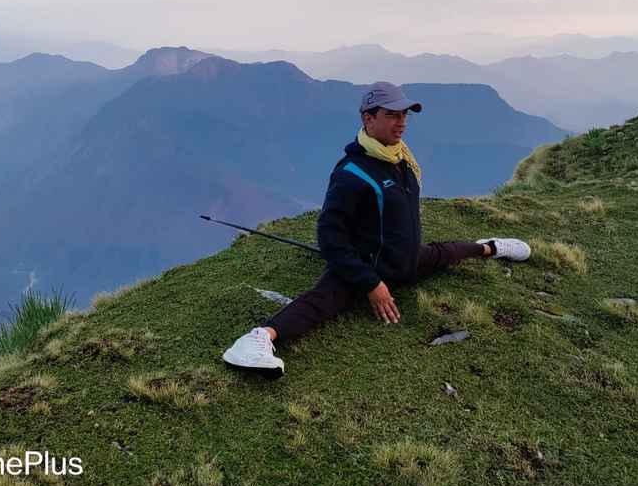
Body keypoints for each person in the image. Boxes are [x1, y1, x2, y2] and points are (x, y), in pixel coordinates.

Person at [222, 81, 530, 377]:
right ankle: (257, 339)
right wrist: (371, 284)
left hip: (406, 260)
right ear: (368, 119)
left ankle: (490, 246)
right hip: (367, 269)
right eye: (392, 114)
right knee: (322, 301)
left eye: (405, 114)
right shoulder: (351, 173)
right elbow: (330, 238)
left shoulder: (401, 159)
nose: (402, 122)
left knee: (446, 253)